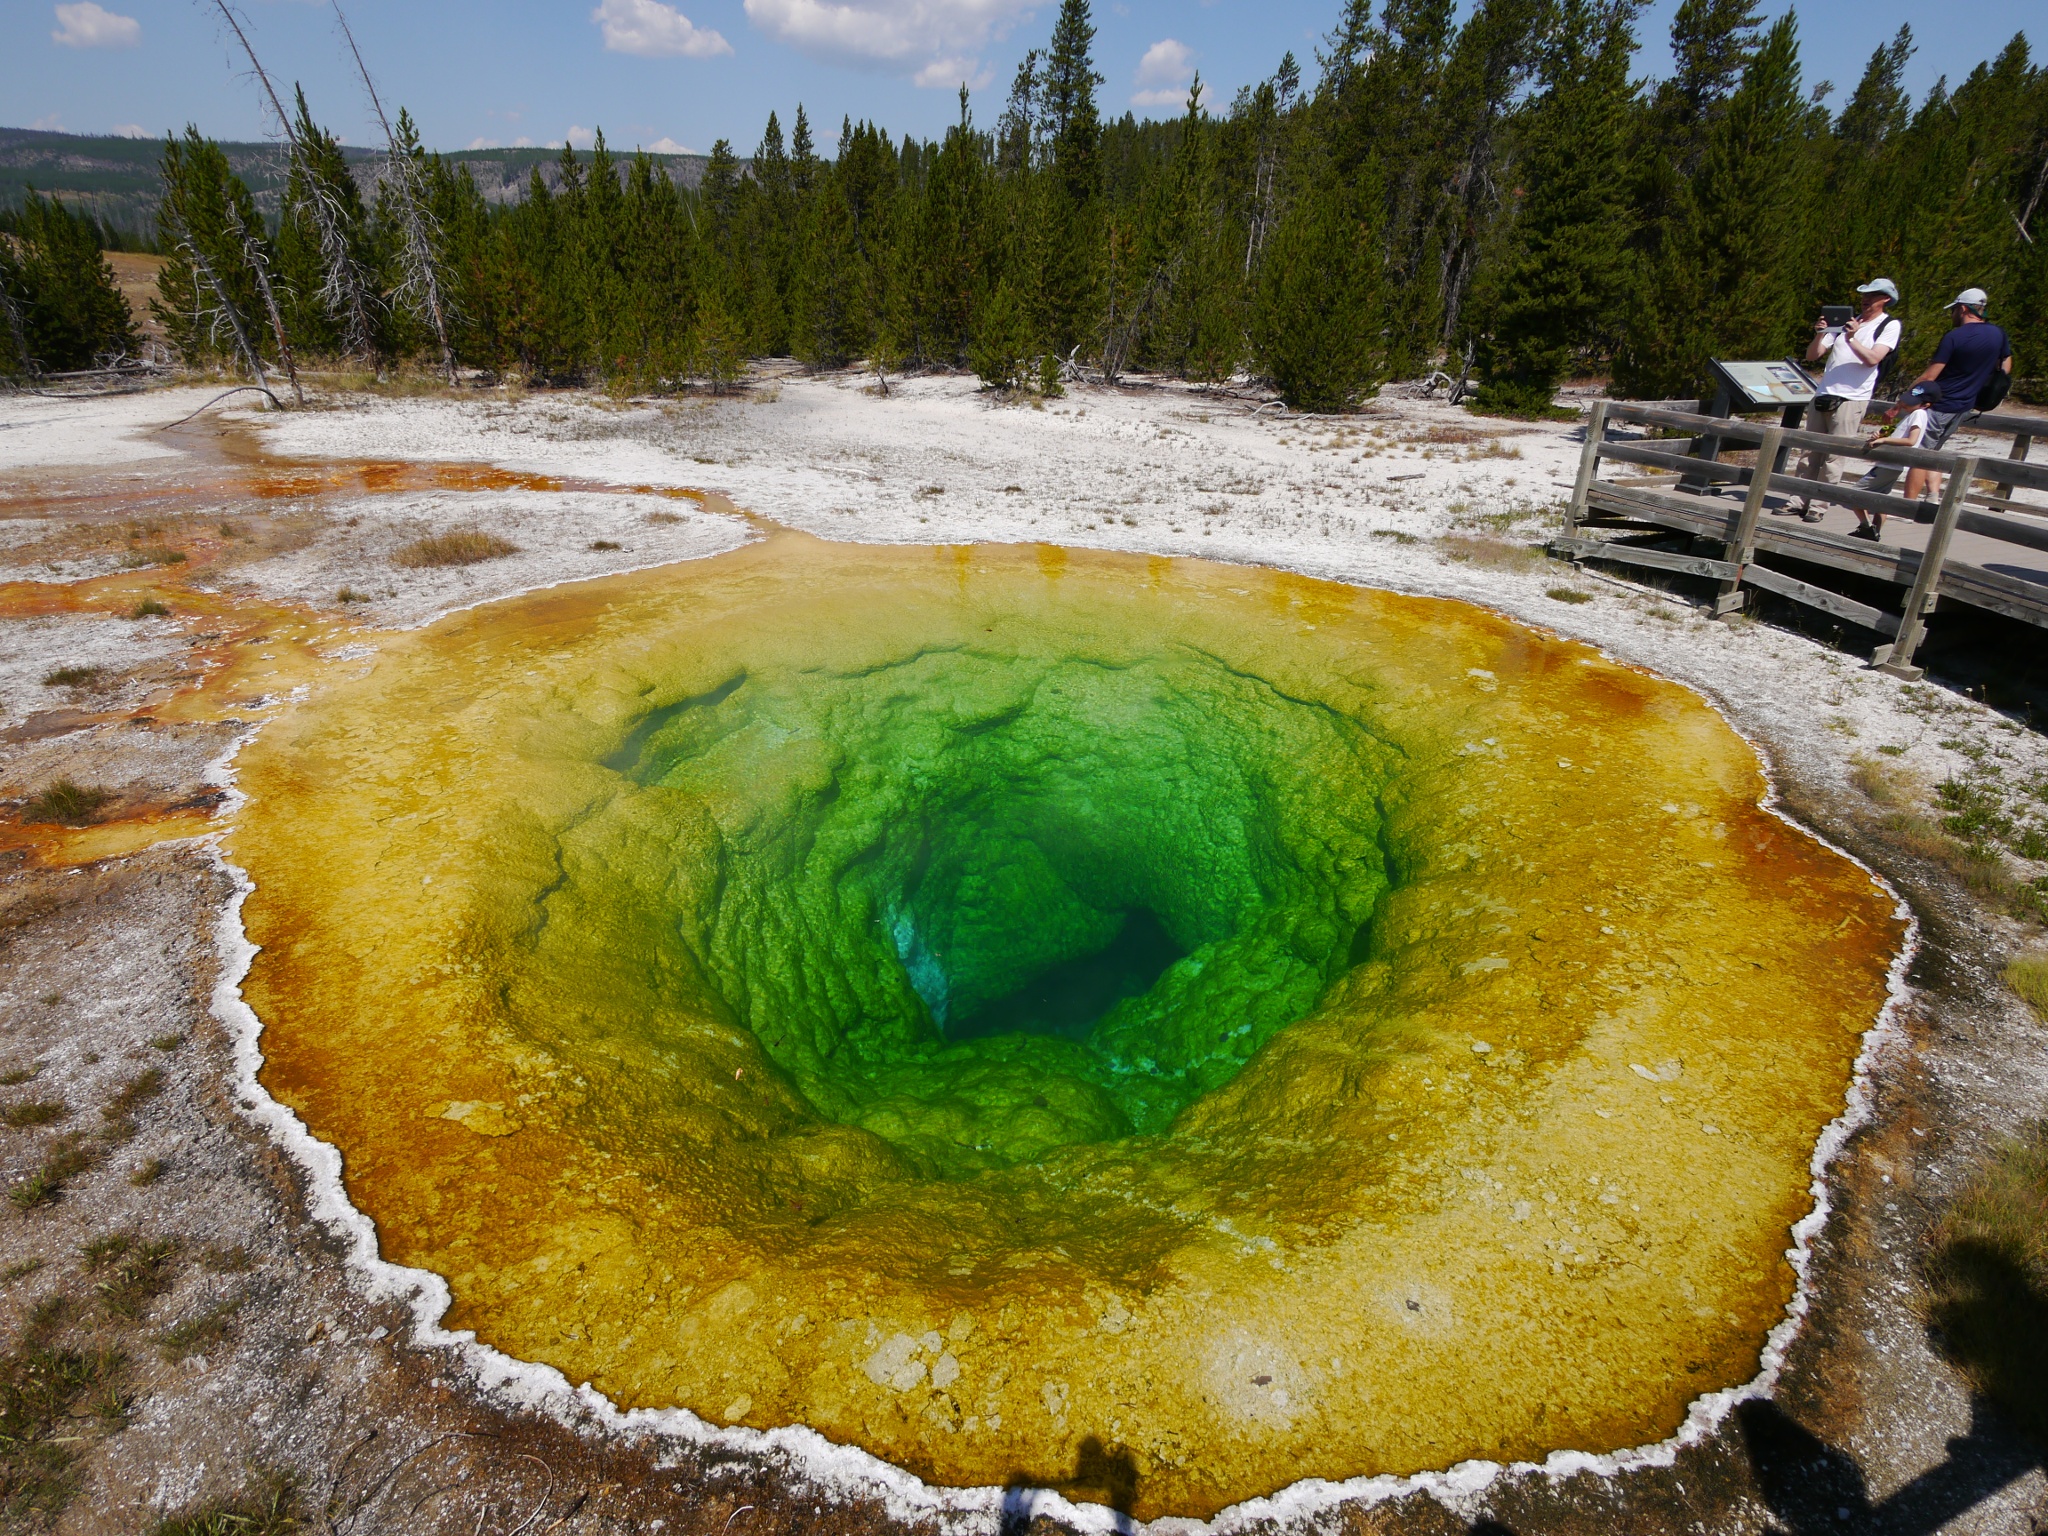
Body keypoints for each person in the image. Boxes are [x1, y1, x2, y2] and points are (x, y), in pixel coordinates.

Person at [1859, 288, 2014, 497]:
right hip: (1964, 406)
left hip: (1939, 403)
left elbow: (1929, 376)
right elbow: (2005, 364)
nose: (1952, 315)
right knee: (1933, 452)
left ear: (1962, 309)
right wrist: (1986, 386)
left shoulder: (1954, 337)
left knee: (1919, 456)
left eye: (1953, 310)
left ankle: (1908, 505)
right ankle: (1932, 496)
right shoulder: (1998, 333)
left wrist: (1901, 403)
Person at [1787, 279, 1901, 522]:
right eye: (1864, 294)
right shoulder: (1847, 322)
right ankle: (1798, 500)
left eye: (1873, 295)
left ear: (1886, 299)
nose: (1866, 299)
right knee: (1809, 452)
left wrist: (1852, 338)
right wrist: (1821, 333)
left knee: (1834, 456)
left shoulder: (1889, 325)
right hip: (1824, 393)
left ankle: (1818, 506)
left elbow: (1873, 359)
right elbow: (1813, 355)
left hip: (1852, 398)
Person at [1845, 391, 1936, 542]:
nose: (1905, 404)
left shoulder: (1919, 414)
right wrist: (1882, 435)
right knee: (1882, 501)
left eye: (1911, 402)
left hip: (1889, 465)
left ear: (1926, 405)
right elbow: (1898, 435)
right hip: (1891, 465)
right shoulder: (1912, 414)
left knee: (1853, 494)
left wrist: (1884, 440)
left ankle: (1866, 527)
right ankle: (1874, 532)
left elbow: (1911, 441)